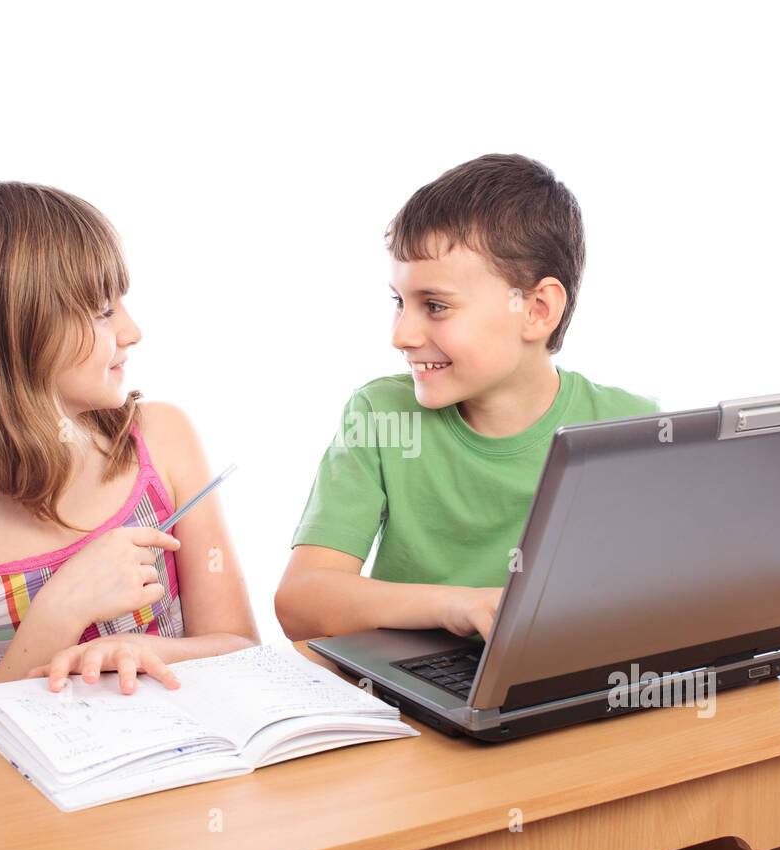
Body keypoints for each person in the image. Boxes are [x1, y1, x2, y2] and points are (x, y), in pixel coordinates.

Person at [0, 182, 259, 850]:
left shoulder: (162, 440)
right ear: (14, 335)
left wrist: (148, 654)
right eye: (103, 311)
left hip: (173, 829)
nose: (132, 331)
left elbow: (244, 653)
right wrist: (61, 610)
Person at [275, 154, 659, 642]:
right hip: (417, 693)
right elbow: (302, 602)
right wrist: (456, 604)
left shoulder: (630, 426)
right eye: (399, 301)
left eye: (435, 306)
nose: (401, 335)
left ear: (537, 309)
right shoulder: (381, 416)